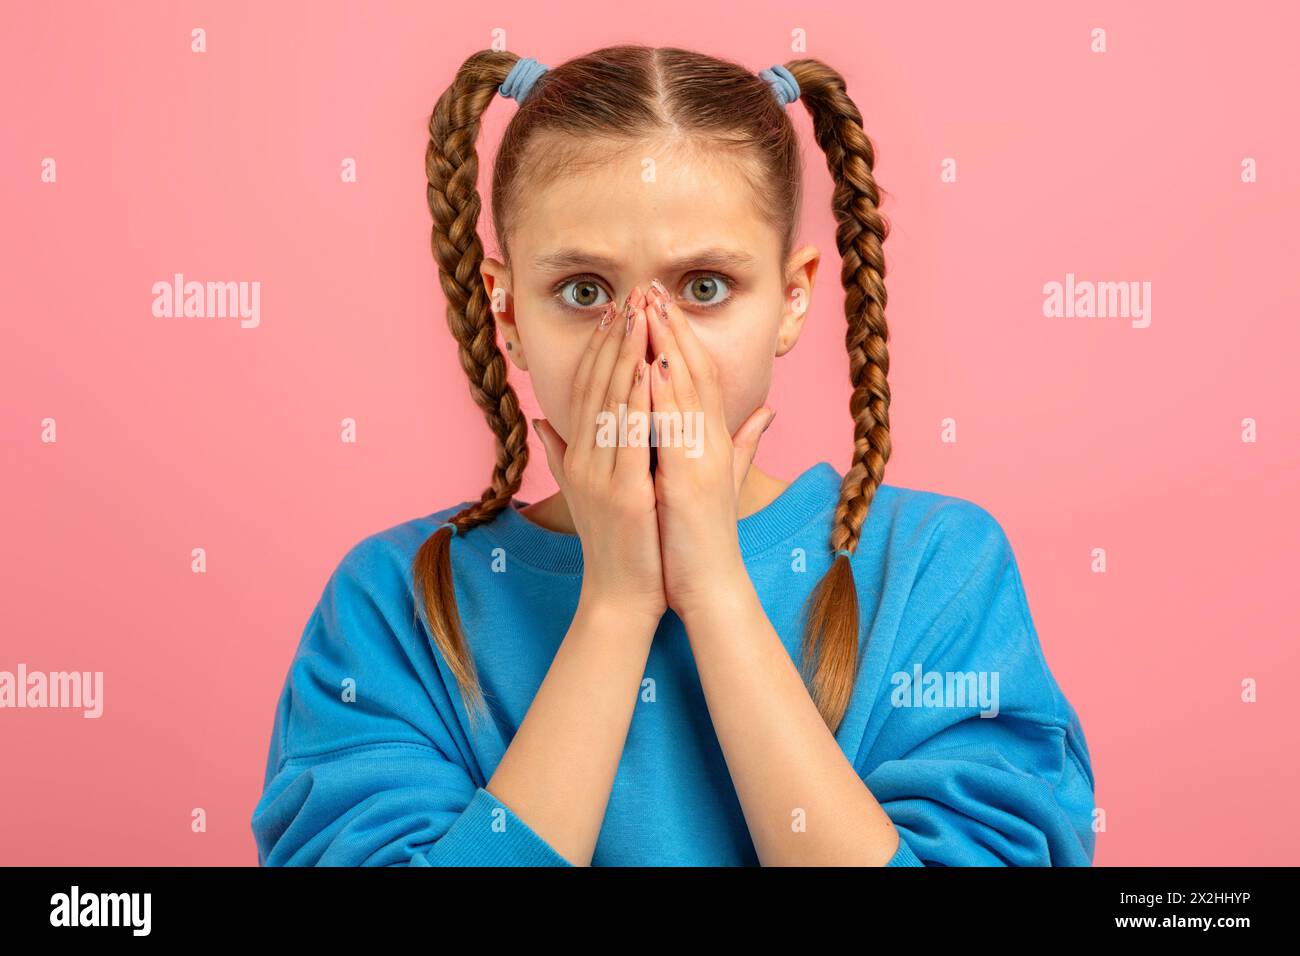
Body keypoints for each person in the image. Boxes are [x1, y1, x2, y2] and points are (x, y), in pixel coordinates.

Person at [250, 45, 1096, 866]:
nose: (649, 346)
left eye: (704, 288)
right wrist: (615, 607)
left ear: (793, 300)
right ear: (508, 314)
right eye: (584, 292)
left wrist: (717, 593)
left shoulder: (935, 570)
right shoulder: (394, 601)